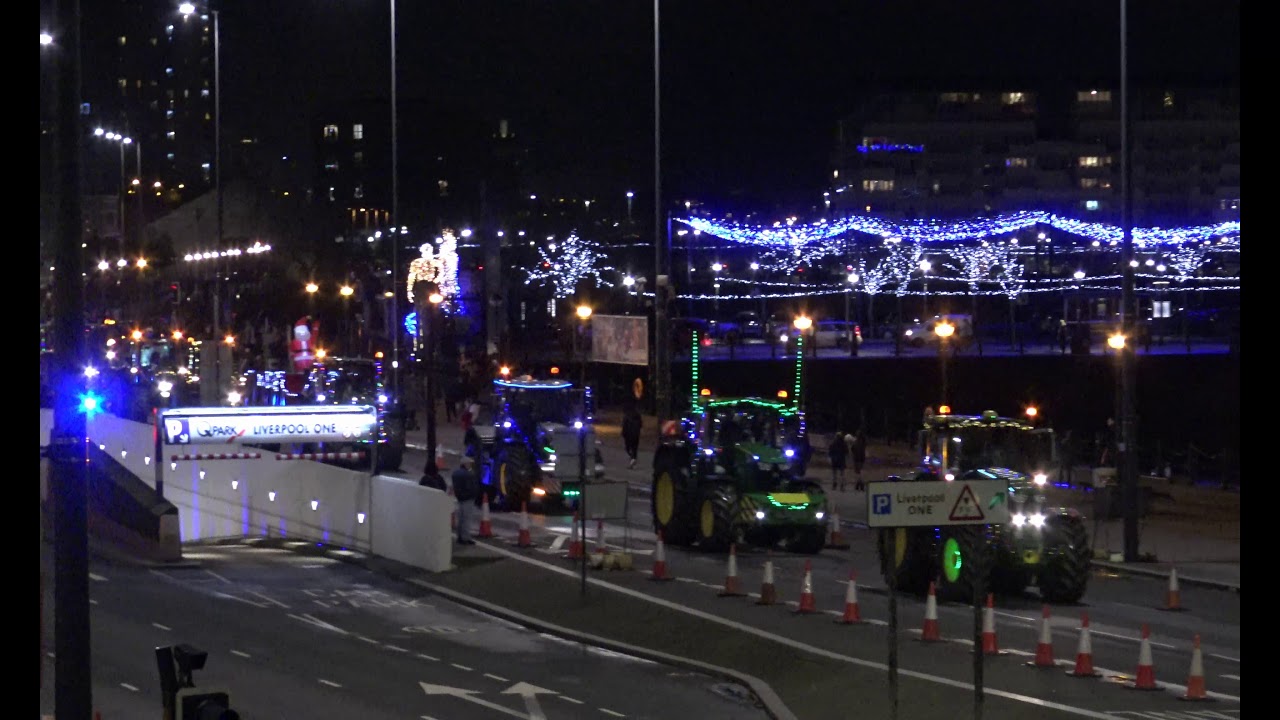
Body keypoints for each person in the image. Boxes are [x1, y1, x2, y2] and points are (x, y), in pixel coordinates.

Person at [451, 456, 479, 545]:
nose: (470, 465)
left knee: (461, 519)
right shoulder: (469, 475)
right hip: (468, 498)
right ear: (465, 464)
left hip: (460, 498)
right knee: (467, 519)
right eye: (469, 463)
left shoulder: (455, 474)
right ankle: (465, 538)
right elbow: (472, 487)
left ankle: (460, 536)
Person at [622, 395, 643, 470]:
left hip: (629, 434)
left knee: (628, 448)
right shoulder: (637, 415)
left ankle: (632, 459)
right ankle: (633, 459)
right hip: (636, 434)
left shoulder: (627, 416)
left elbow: (624, 426)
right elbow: (641, 424)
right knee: (635, 448)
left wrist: (623, 433)